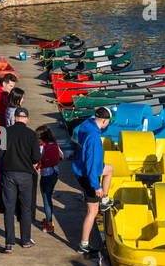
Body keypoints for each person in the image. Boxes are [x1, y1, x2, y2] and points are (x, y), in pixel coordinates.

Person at [0, 107, 42, 253]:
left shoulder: (5, 132)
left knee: (9, 208)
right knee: (25, 208)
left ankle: (9, 243)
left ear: (15, 118)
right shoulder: (31, 135)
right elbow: (36, 158)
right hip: (25, 175)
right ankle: (25, 240)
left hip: (8, 174)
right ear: (27, 119)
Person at [71, 107, 113, 254]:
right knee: (92, 211)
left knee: (109, 169)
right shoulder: (94, 138)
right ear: (104, 120)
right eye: (108, 122)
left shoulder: (87, 124)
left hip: (80, 167)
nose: (108, 124)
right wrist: (96, 186)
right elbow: (91, 164)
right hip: (87, 175)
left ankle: (105, 200)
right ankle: (84, 244)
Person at [36, 124, 63, 234]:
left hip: (46, 175)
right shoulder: (55, 144)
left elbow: (37, 160)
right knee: (48, 198)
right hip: (55, 174)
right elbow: (62, 156)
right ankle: (48, 219)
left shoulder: (42, 146)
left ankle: (50, 223)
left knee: (46, 200)